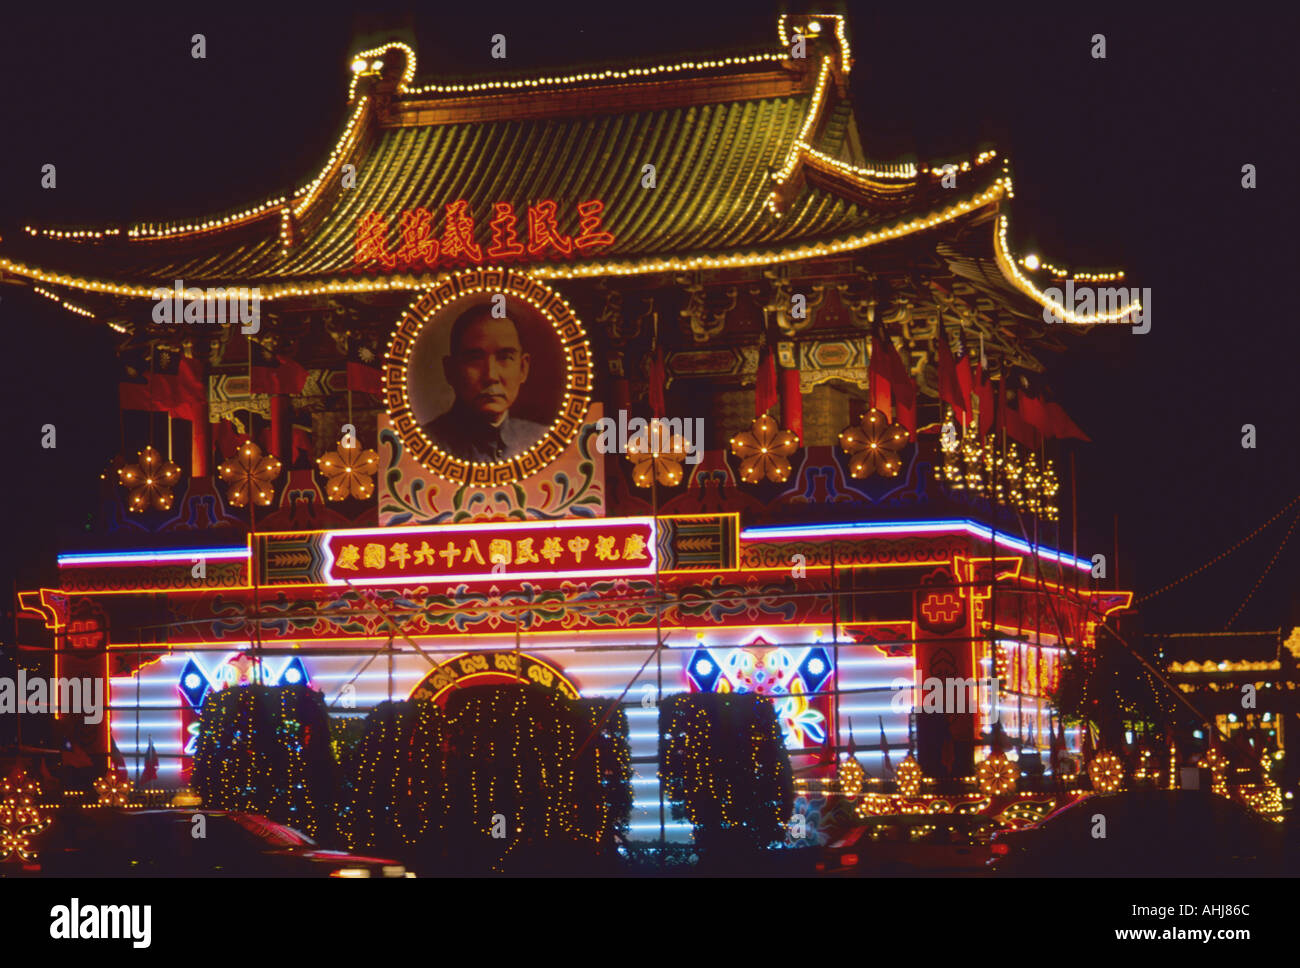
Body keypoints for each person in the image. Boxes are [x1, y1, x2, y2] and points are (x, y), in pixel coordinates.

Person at [422, 305, 548, 462]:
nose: (491, 376)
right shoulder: (424, 443)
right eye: (475, 358)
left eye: (505, 357)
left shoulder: (542, 438)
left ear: (523, 368)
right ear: (450, 370)